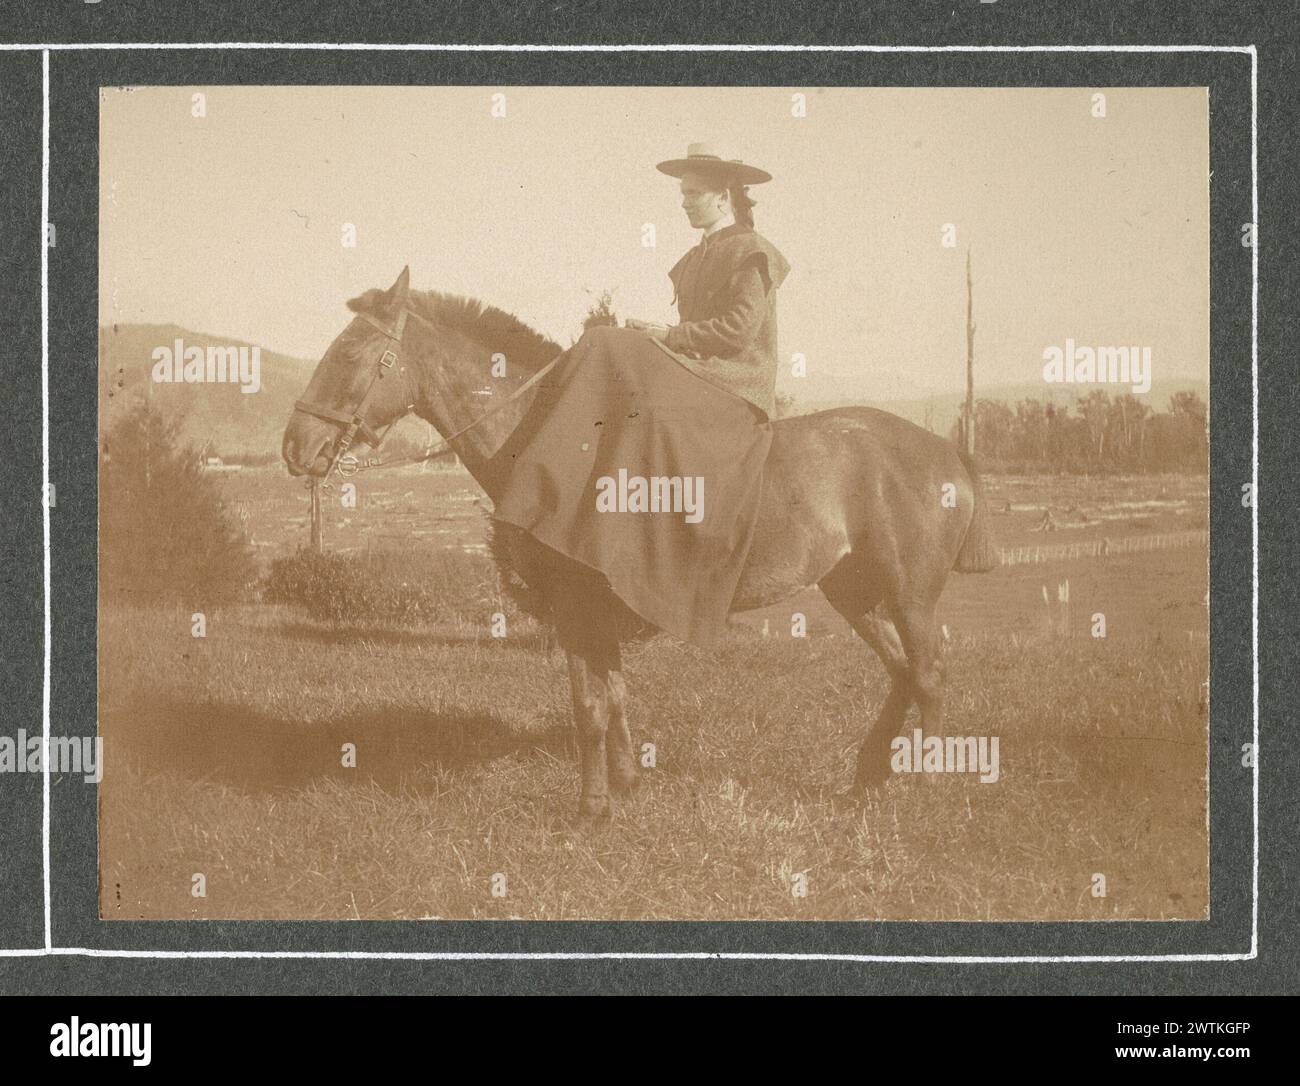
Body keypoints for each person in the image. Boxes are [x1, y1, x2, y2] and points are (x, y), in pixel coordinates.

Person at [489, 143, 791, 647]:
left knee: (609, 346)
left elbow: (738, 331)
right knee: (609, 349)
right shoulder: (699, 255)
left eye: (692, 194)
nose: (684, 203)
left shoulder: (751, 251)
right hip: (702, 372)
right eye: (682, 194)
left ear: (722, 196)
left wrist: (667, 336)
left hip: (736, 381)